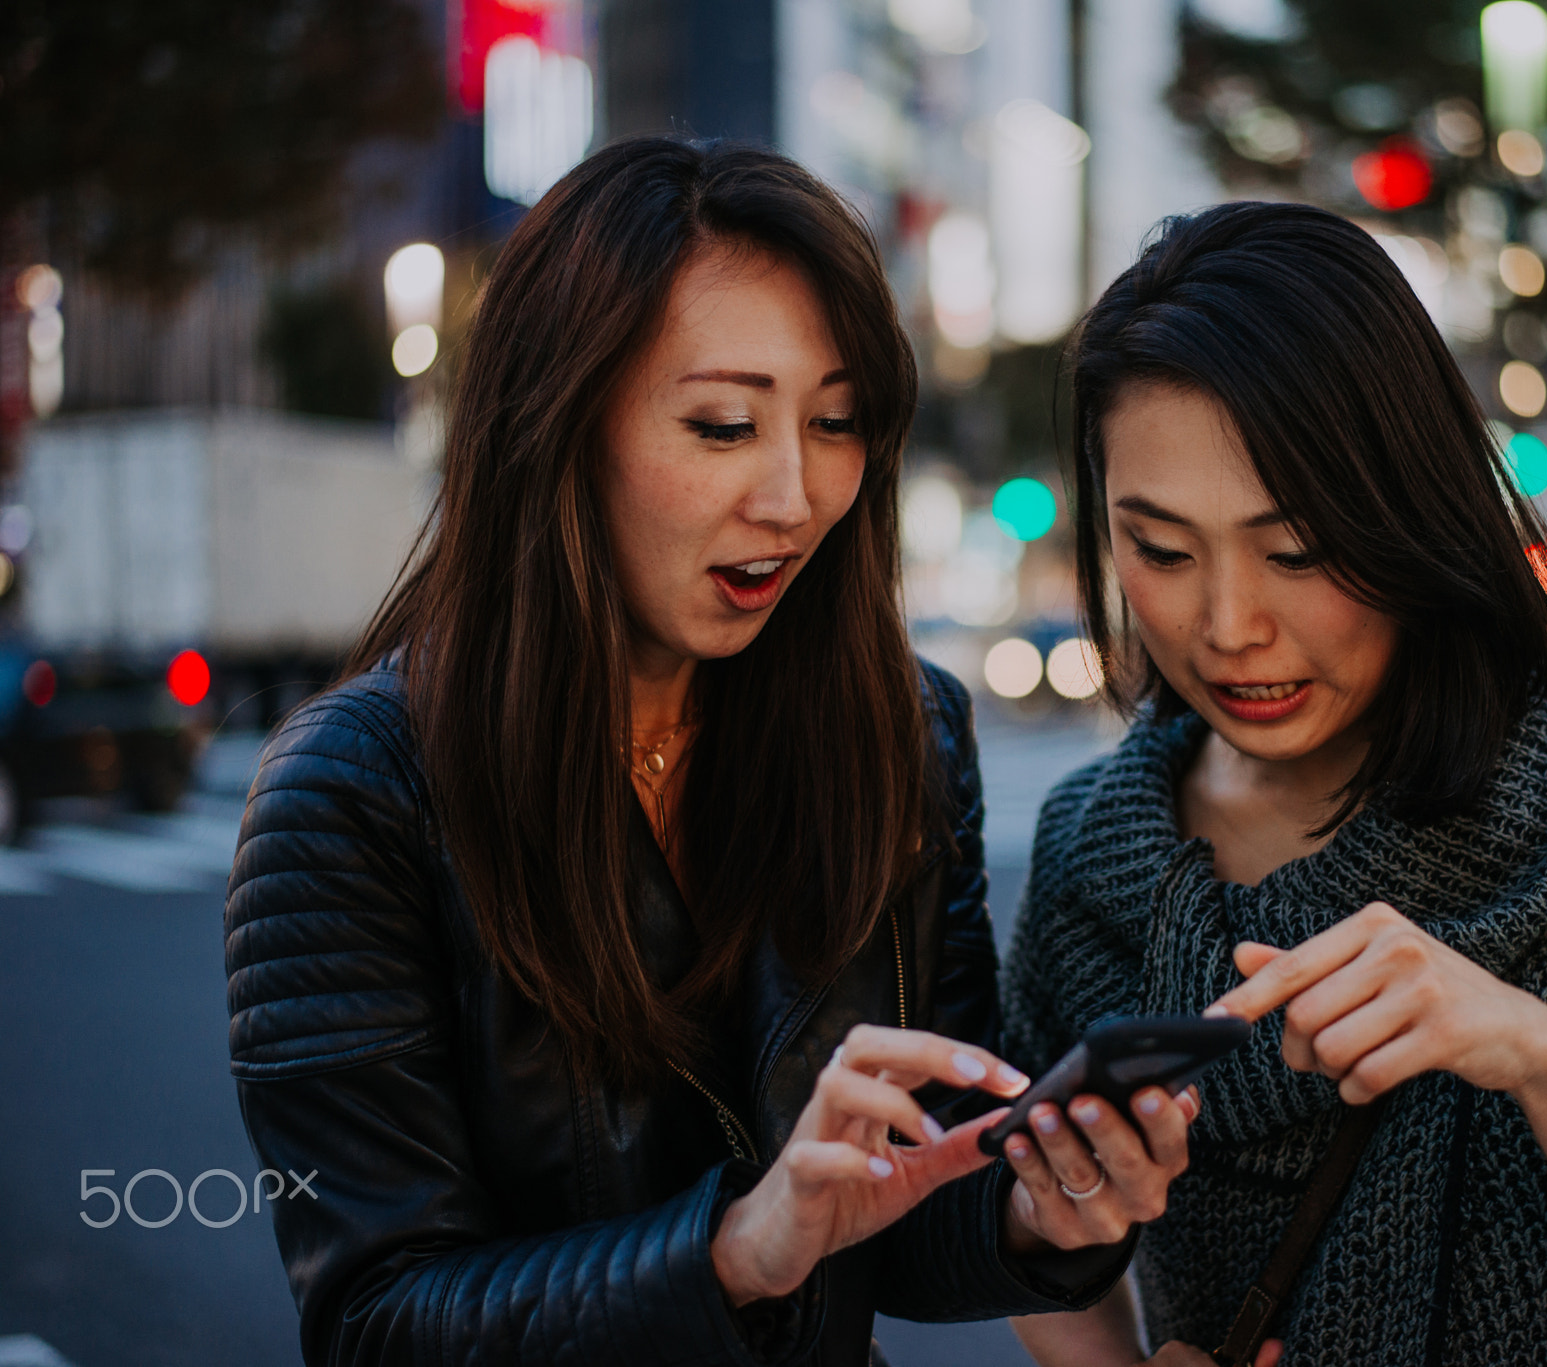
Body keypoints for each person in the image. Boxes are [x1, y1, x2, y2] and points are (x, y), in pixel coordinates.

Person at [224, 138, 1194, 1367]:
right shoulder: (353, 794)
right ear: (558, 421)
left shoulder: (898, 732)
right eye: (724, 424)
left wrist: (1039, 1206)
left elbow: (906, 1212)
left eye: (836, 421)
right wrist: (739, 1249)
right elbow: (377, 1325)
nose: (794, 494)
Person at [1001, 202, 1547, 1367]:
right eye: (1161, 550)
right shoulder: (1092, 848)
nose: (1227, 627)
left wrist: (1542, 1058)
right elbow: (1032, 1223)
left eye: (1297, 549)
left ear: (1407, 505)